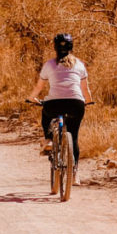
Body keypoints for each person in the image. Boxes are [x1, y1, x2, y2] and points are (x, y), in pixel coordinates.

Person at [27, 33, 92, 165]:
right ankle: (74, 175)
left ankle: (49, 139)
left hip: (54, 104)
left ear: (54, 47)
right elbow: (85, 89)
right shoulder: (80, 64)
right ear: (71, 47)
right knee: (73, 137)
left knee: (46, 114)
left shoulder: (49, 64)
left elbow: (39, 86)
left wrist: (31, 98)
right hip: (76, 104)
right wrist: (89, 100)